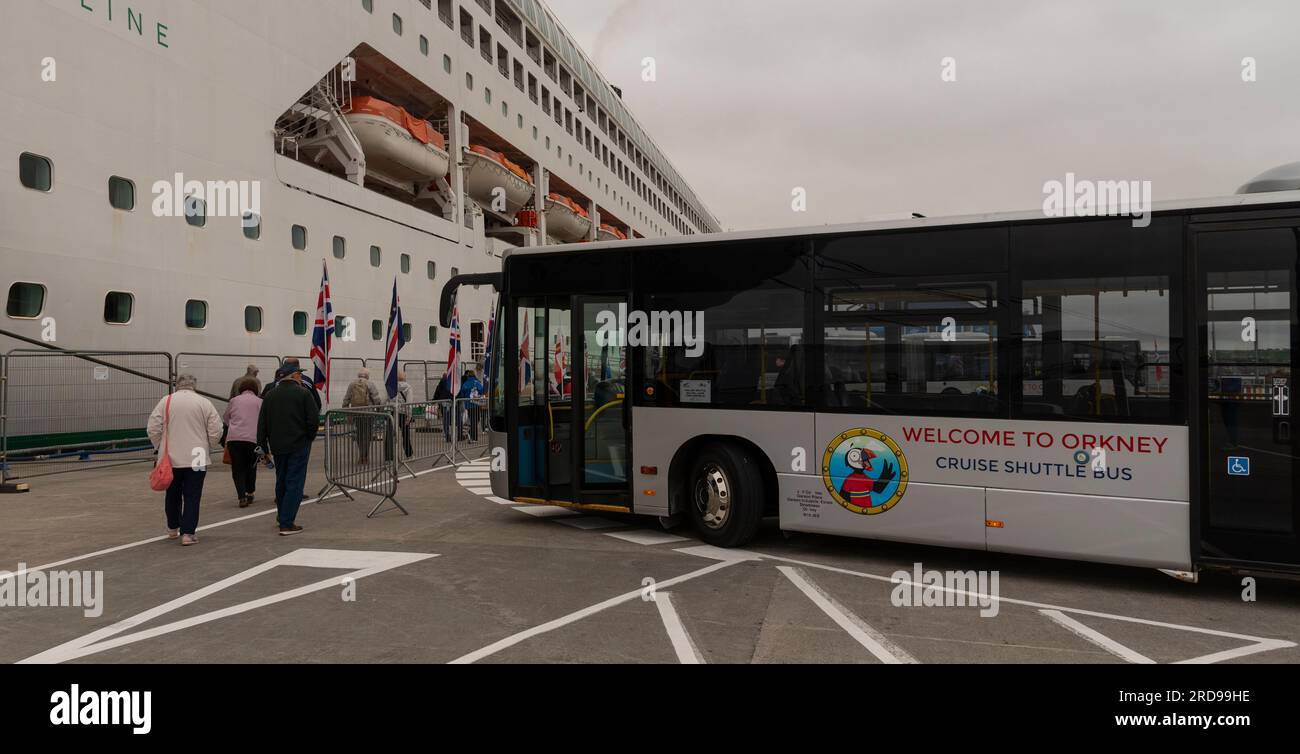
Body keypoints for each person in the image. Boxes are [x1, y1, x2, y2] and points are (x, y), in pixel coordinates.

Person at [147, 374, 223, 546]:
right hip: (197, 454)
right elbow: (216, 429)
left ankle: (173, 528)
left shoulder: (166, 401)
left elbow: (153, 427)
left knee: (172, 493)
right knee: (192, 494)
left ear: (177, 385)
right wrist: (208, 446)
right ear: (194, 385)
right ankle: (188, 533)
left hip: (171, 456)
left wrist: (160, 445)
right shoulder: (204, 402)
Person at [257, 365, 318, 535]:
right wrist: (309, 437)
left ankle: (281, 515)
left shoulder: (269, 395)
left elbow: (262, 423)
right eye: (299, 374)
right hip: (298, 444)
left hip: (277, 445)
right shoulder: (303, 393)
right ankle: (287, 522)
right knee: (295, 483)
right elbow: (313, 419)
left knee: (281, 480)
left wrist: (262, 447)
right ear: (293, 376)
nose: (301, 377)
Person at [222, 376, 263, 508]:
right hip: (253, 439)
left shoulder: (234, 400)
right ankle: (250, 492)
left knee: (238, 468)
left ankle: (241, 496)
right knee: (251, 466)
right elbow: (263, 420)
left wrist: (234, 426)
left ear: (241, 389)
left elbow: (226, 417)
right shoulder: (259, 401)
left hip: (235, 439)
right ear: (255, 389)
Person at [343, 368, 383, 463]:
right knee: (368, 435)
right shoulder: (370, 384)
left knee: (360, 434)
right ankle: (365, 456)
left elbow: (346, 399)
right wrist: (379, 410)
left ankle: (361, 455)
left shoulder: (352, 384)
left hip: (356, 413)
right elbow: (376, 399)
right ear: (367, 376)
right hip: (369, 413)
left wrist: (347, 413)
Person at [388, 370, 414, 459]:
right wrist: (409, 415)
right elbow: (409, 403)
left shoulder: (391, 386)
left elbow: (387, 400)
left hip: (392, 413)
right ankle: (409, 454)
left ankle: (390, 457)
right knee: (405, 434)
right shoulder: (408, 387)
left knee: (390, 435)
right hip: (403, 413)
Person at [457, 369, 485, 442]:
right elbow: (482, 390)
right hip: (476, 404)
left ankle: (471, 434)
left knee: (473, 421)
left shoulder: (465, 384)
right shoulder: (477, 382)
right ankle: (473, 437)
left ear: (468, 375)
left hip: (468, 405)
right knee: (476, 420)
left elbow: (462, 393)